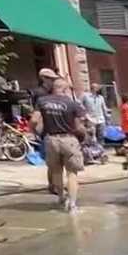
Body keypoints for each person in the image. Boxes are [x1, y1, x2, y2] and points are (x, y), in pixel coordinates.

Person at [31, 78, 87, 212]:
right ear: (65, 89)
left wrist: (35, 132)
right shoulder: (72, 104)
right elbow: (79, 127)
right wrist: (84, 136)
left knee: (56, 171)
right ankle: (72, 205)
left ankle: (61, 197)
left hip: (51, 139)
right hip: (69, 139)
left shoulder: (42, 101)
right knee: (72, 173)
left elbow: (33, 120)